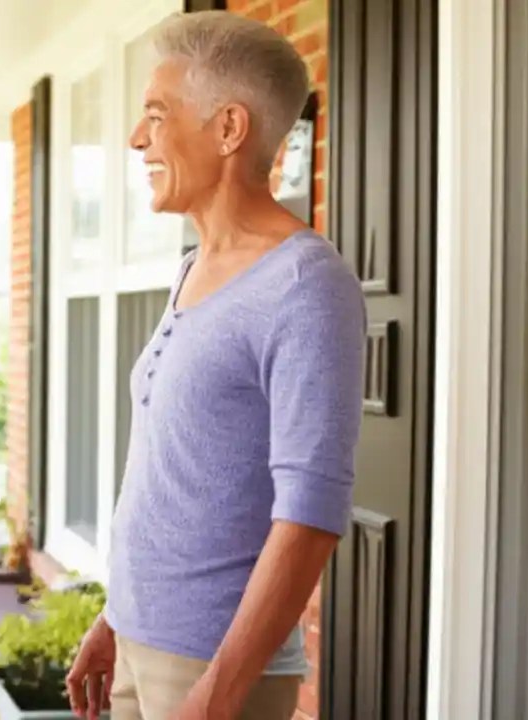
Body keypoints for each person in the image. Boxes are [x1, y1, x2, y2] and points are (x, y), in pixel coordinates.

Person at [65, 11, 365, 720]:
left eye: (156, 115)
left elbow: (310, 515)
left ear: (229, 128)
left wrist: (217, 695)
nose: (137, 139)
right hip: (139, 647)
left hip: (212, 671)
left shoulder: (304, 285)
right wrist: (115, 618)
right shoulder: (193, 267)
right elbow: (178, 473)